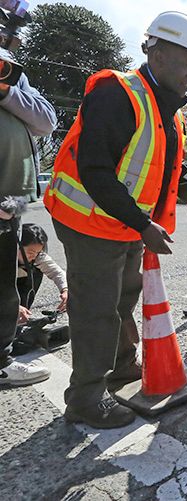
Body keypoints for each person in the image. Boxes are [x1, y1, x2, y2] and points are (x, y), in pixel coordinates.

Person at [44, 11, 187, 428]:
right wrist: (143, 225)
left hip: (123, 223)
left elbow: (170, 168)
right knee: (97, 309)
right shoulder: (117, 93)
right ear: (158, 54)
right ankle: (86, 399)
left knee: (123, 301)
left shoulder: (168, 111)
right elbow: (95, 170)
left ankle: (124, 371)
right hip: (88, 220)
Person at [0, 46, 57, 387]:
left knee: (5, 284)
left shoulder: (14, 79)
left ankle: (2, 358)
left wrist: (6, 90)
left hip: (14, 200)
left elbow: (46, 120)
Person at [16, 223, 68, 314]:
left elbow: (56, 272)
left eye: (38, 252)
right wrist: (12, 307)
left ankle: (23, 311)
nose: (34, 256)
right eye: (30, 252)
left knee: (36, 271)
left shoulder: (38, 257)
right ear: (17, 246)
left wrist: (65, 290)